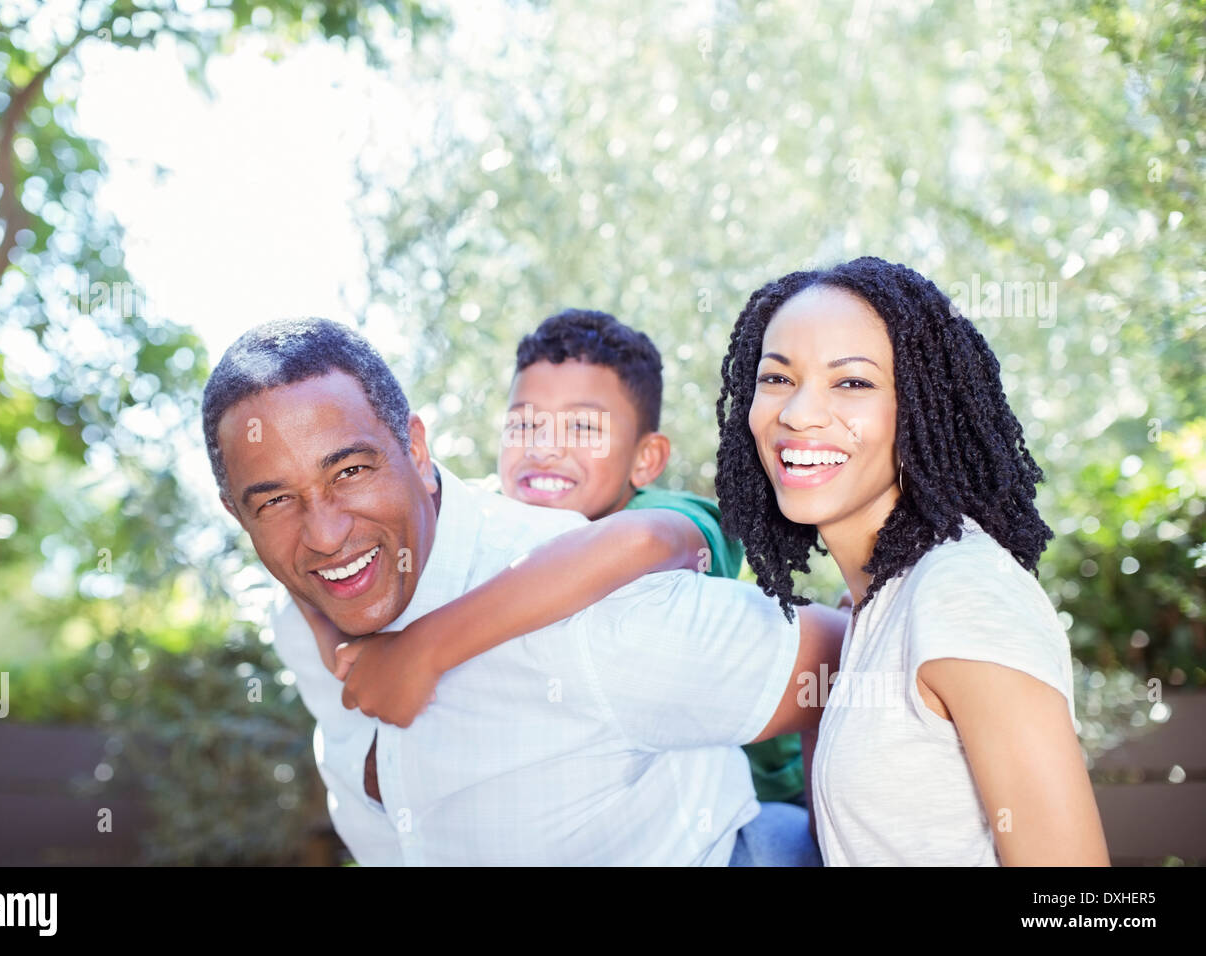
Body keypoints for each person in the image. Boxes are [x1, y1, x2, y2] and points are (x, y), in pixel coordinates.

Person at [200, 317, 847, 865]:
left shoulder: (596, 604)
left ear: (416, 451)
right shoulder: (300, 614)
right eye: (277, 500)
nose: (324, 533)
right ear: (239, 515)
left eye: (350, 470)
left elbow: (850, 655)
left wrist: (838, 831)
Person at [712, 256, 1109, 865]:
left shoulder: (962, 590)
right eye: (777, 378)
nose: (797, 414)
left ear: (925, 407)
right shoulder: (877, 606)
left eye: (852, 383)